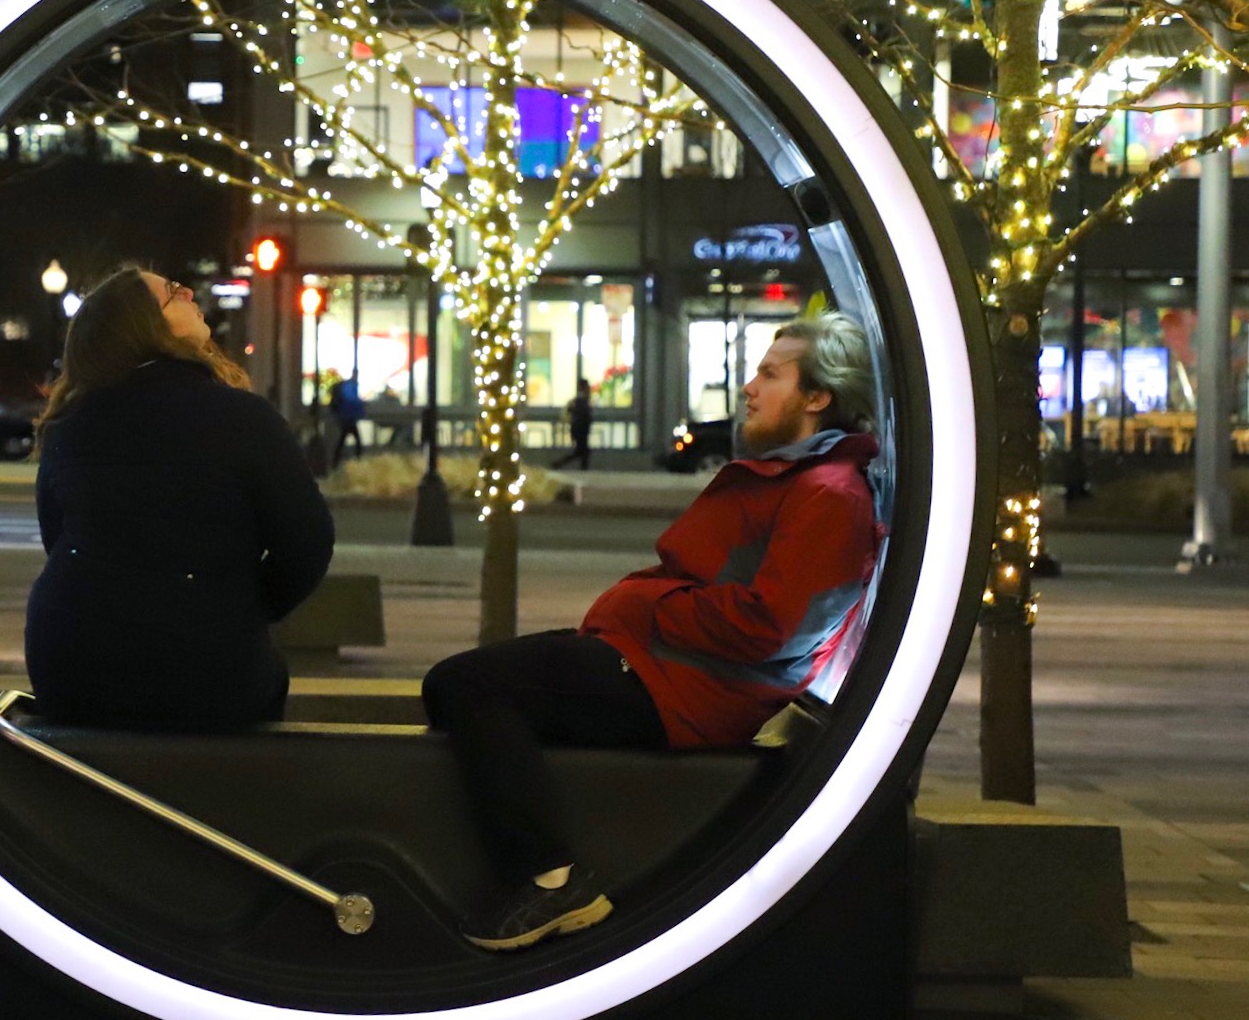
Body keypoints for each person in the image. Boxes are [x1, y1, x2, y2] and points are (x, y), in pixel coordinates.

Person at [423, 312, 881, 951]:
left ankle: (551, 881)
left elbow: (775, 626)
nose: (749, 387)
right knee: (466, 685)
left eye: (770, 375)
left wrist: (656, 608)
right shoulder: (807, 481)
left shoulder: (830, 494)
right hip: (661, 666)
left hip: (685, 690)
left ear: (816, 397)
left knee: (467, 686)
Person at [25, 265, 335, 730]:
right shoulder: (243, 419)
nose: (188, 291)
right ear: (146, 328)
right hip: (208, 675)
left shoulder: (69, 428)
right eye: (172, 292)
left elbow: (59, 540)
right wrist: (238, 607)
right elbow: (308, 542)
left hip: (71, 669)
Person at [552, 382, 594, 470]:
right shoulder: (581, 400)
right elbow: (582, 415)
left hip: (580, 429)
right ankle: (558, 464)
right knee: (582, 451)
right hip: (580, 430)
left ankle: (559, 464)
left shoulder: (579, 400)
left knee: (582, 451)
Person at [330, 372, 366, 466]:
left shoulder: (346, 386)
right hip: (348, 418)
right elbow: (352, 401)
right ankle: (357, 460)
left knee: (343, 441)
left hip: (344, 417)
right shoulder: (350, 386)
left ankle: (336, 461)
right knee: (355, 441)